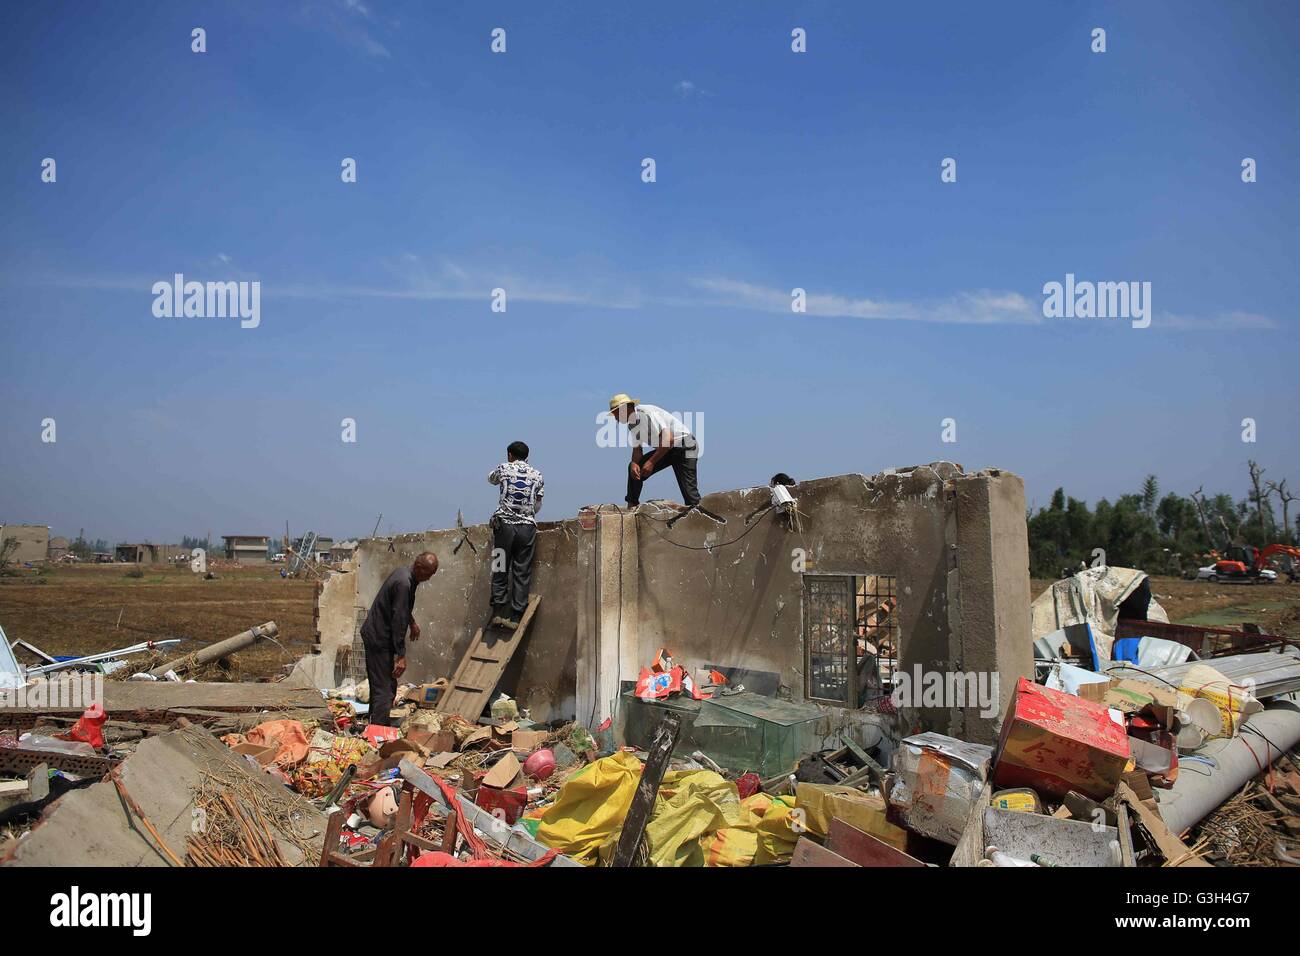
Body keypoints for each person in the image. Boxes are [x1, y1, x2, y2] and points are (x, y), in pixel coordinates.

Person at [359, 552, 438, 727]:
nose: (429, 578)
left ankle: (374, 724)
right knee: (385, 689)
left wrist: (412, 622)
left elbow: (401, 606)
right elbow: (398, 620)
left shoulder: (406, 575)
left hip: (376, 634)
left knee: (381, 685)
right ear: (418, 567)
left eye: (433, 574)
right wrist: (401, 656)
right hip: (379, 638)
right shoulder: (404, 582)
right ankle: (378, 734)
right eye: (428, 573)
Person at [607, 393, 701, 510]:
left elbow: (669, 439)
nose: (615, 418)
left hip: (685, 446)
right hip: (667, 449)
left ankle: (700, 516)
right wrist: (634, 463)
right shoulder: (632, 424)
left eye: (616, 413)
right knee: (635, 467)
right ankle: (632, 505)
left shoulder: (646, 413)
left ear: (625, 409)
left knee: (689, 492)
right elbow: (637, 449)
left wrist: (651, 462)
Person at [487, 441, 544, 629]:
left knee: (500, 564)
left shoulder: (504, 467)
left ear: (510, 455)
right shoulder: (538, 475)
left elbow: (491, 479)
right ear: (527, 458)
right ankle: (516, 615)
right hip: (527, 529)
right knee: (522, 569)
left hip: (504, 527)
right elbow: (537, 504)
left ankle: (498, 611)